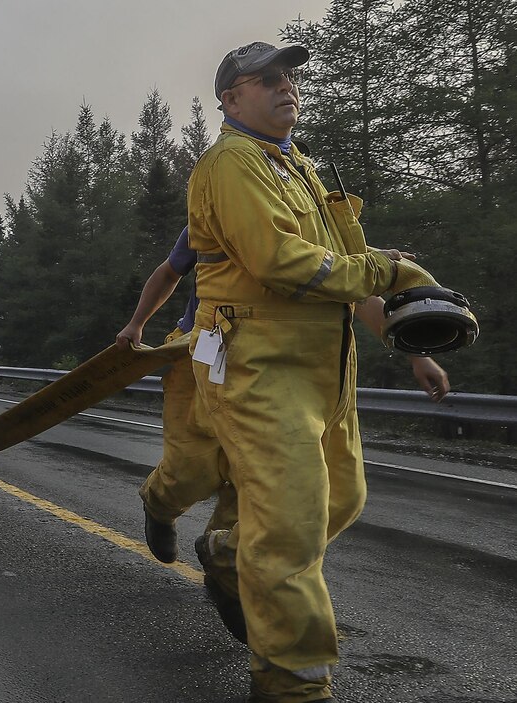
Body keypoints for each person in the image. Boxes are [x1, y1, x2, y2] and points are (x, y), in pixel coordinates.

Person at [185, 40, 433, 703]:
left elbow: (351, 276)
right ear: (232, 99)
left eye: (290, 77)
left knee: (341, 498)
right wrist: (383, 265)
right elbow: (281, 263)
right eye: (265, 80)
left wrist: (410, 346)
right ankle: (293, 680)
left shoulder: (302, 167)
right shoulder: (230, 165)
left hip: (328, 364)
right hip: (257, 365)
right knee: (291, 525)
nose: (285, 87)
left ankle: (233, 552)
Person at [117, 229, 451, 567]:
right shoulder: (220, 208)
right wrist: (136, 323)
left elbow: (357, 293)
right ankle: (160, 504)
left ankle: (230, 561)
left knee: (256, 474)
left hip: (274, 367)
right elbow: (169, 271)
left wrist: (416, 354)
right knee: (192, 469)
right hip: (203, 353)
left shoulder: (319, 223)